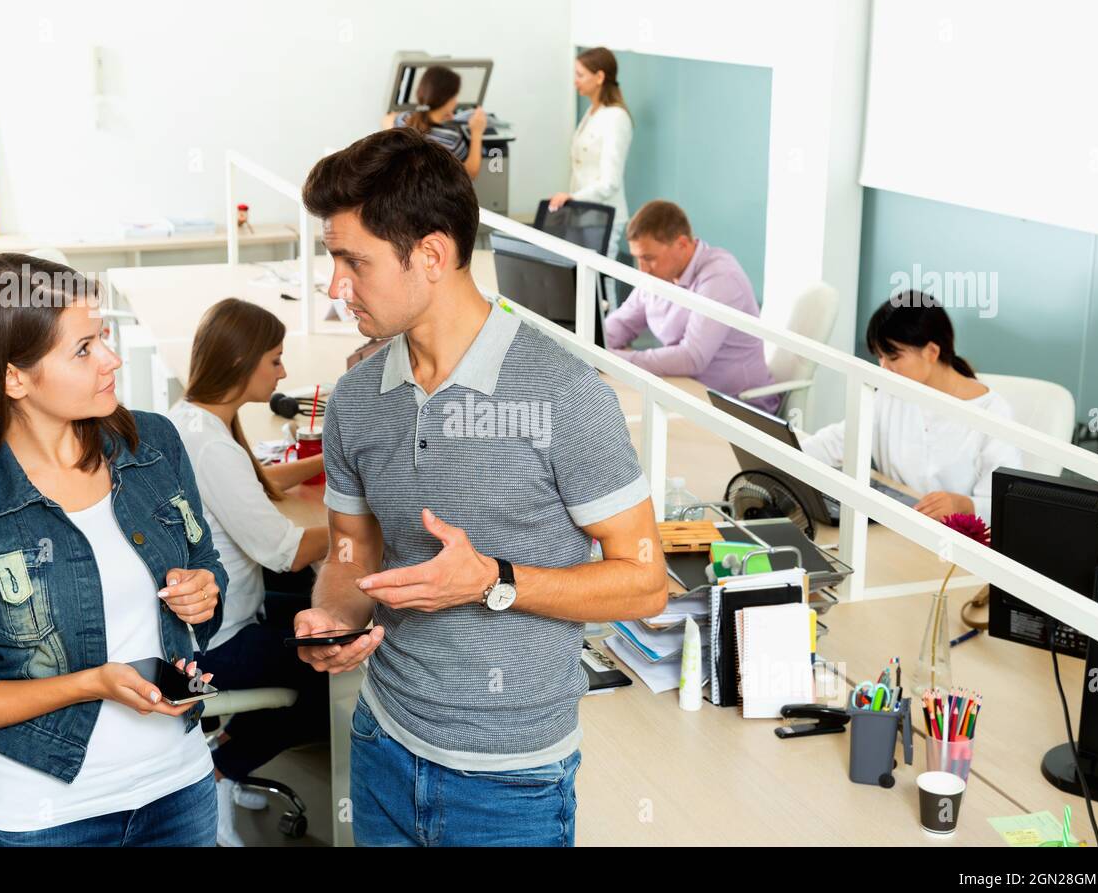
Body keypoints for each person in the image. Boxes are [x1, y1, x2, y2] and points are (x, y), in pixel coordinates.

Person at [294, 127, 668, 846]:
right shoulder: (356, 399)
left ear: (431, 255)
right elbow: (351, 556)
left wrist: (493, 579)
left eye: (353, 261)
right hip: (381, 744)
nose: (335, 285)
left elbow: (647, 581)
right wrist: (333, 619)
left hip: (511, 784)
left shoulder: (564, 393)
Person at [0, 253, 227, 846]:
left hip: (179, 789)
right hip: (48, 819)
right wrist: (91, 683)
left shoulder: (152, 445)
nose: (112, 358)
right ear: (13, 378)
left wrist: (203, 593)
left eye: (104, 336)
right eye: (84, 349)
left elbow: (208, 567)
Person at [167, 297, 331, 846]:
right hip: (209, 645)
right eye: (275, 360)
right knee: (329, 668)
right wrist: (362, 523)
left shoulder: (193, 419)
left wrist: (337, 460)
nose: (284, 372)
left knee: (312, 612)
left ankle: (226, 747)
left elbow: (269, 484)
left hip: (209, 619)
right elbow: (285, 552)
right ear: (242, 366)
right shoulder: (213, 449)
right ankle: (218, 771)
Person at [801, 292, 1023, 523]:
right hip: (898, 526)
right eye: (879, 357)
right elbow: (840, 440)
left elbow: (1004, 506)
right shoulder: (892, 392)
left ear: (932, 352)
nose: (884, 367)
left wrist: (963, 504)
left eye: (893, 357)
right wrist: (784, 453)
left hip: (952, 539)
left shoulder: (993, 412)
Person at [605, 199, 778, 411]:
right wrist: (593, 343)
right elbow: (622, 323)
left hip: (738, 407)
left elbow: (692, 357)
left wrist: (617, 358)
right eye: (638, 258)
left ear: (682, 244)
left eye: (648, 258)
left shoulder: (720, 277)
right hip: (690, 393)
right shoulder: (660, 274)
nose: (642, 269)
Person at [548, 47, 633, 262]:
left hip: (604, 214)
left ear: (599, 77)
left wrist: (573, 198)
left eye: (580, 75)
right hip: (583, 213)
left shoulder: (616, 118)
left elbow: (610, 182)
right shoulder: (592, 112)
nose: (575, 81)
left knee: (602, 284)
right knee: (582, 282)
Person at [381, 64, 487, 179]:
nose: (456, 101)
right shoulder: (452, 138)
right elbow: (470, 173)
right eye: (455, 96)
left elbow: (387, 118)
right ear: (447, 100)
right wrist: (477, 132)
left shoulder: (402, 121)